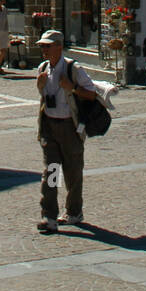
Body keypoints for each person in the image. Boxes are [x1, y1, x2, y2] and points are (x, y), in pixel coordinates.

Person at [35, 29, 97, 232]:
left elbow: (91, 94)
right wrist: (40, 86)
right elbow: (45, 98)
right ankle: (49, 216)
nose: (44, 50)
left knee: (72, 173)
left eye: (47, 46)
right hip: (50, 127)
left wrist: (72, 87)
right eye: (42, 46)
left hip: (70, 128)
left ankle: (73, 211)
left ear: (59, 47)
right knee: (51, 171)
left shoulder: (74, 69)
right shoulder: (43, 68)